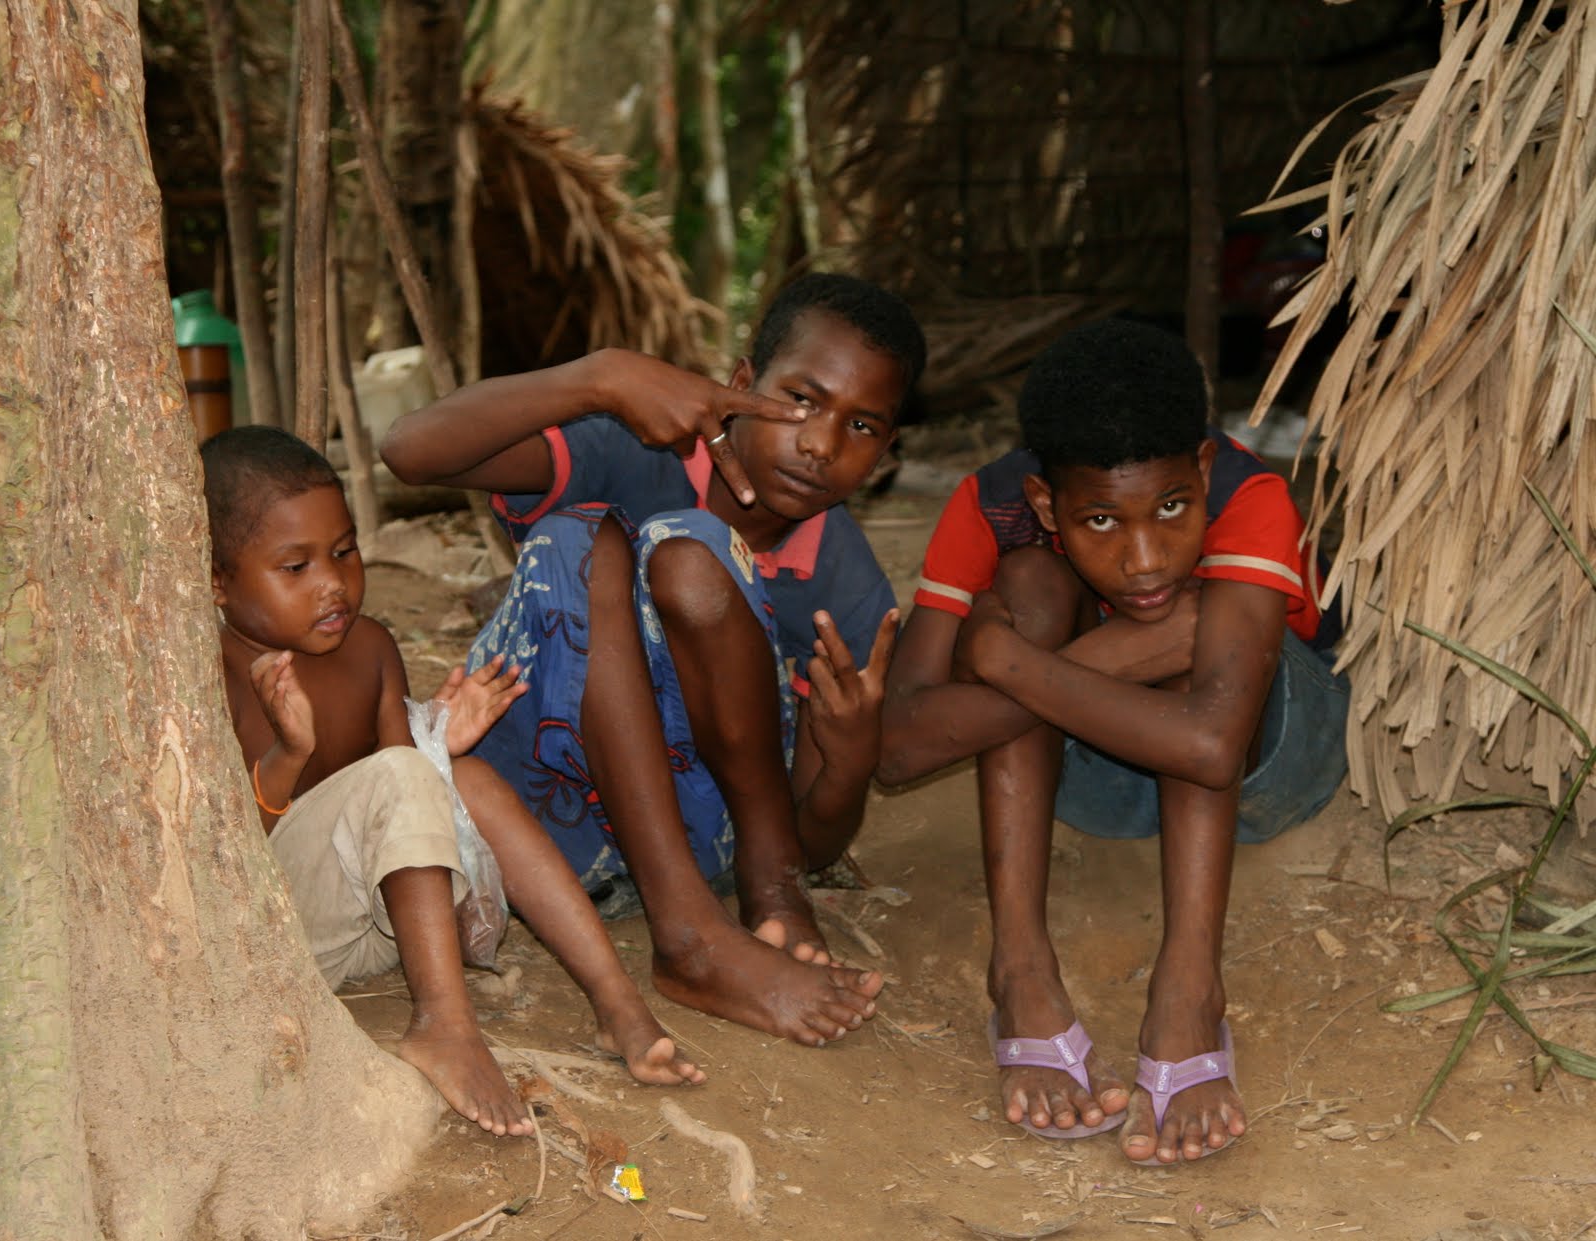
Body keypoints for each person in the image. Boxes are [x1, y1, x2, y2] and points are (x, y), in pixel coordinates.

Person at [379, 273, 926, 1047]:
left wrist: (850, 750)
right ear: (738, 385)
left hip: (702, 839)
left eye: (863, 425)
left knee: (691, 557)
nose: (821, 443)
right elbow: (409, 449)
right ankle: (691, 937)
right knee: (600, 537)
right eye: (802, 399)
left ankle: (744, 907)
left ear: (889, 449)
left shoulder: (849, 588)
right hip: (526, 807)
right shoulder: (638, 447)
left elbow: (818, 839)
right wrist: (597, 377)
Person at [878, 318, 1348, 1164]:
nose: (1143, 556)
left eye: (1173, 508)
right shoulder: (989, 505)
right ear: (1046, 503)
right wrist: (1062, 655)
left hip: (1267, 759)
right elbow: (900, 748)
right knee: (1033, 580)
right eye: (1098, 521)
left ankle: (1189, 989)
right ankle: (1020, 970)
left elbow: (1211, 746)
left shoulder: (1250, 495)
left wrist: (1003, 664)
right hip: (1096, 769)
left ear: (1202, 470)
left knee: (1188, 618)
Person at [202, 426, 704, 1139]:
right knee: (416, 770)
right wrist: (291, 749)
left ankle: (615, 999)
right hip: (287, 924)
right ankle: (443, 1019)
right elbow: (234, 850)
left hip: (382, 924)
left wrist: (441, 738)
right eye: (295, 567)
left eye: (344, 551)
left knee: (465, 776)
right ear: (219, 579)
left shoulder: (371, 648)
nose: (332, 583)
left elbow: (408, 789)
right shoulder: (214, 668)